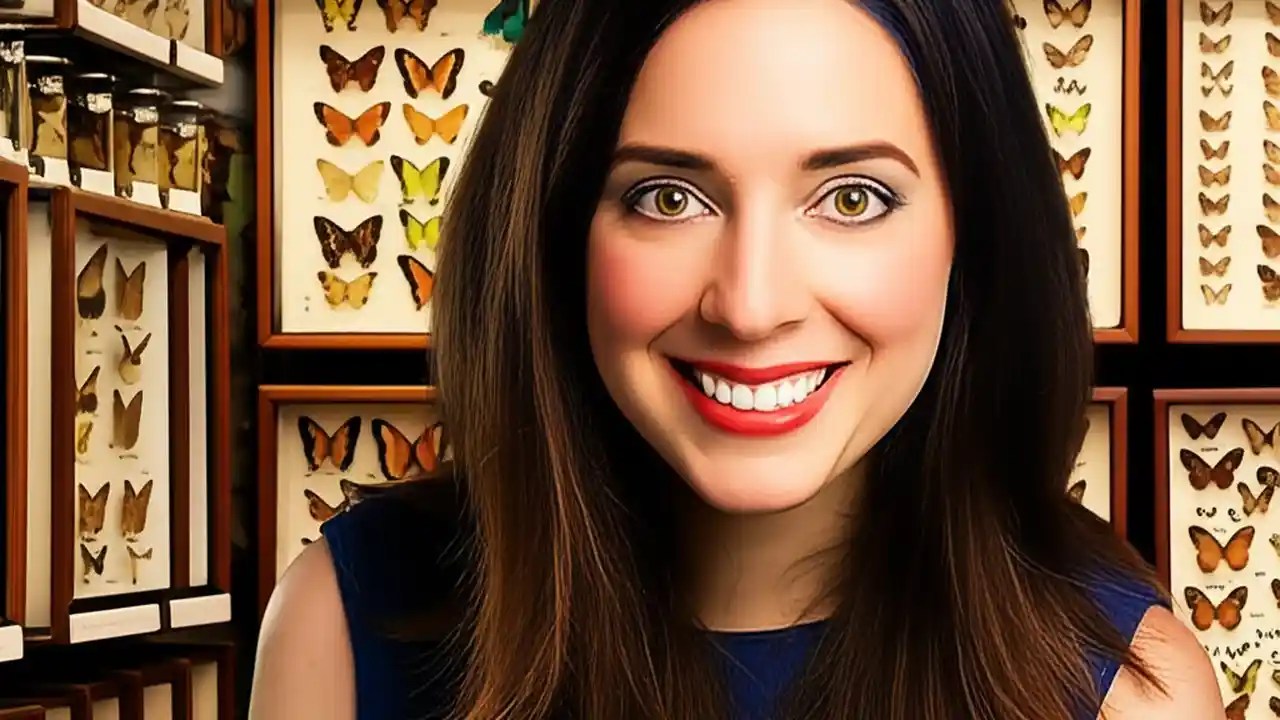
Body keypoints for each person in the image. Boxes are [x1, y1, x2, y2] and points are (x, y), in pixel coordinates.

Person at [250, 1, 1221, 718]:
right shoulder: (343, 624)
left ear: (971, 240)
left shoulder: (1130, 692)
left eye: (852, 198)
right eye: (668, 198)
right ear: (554, 236)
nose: (751, 307)